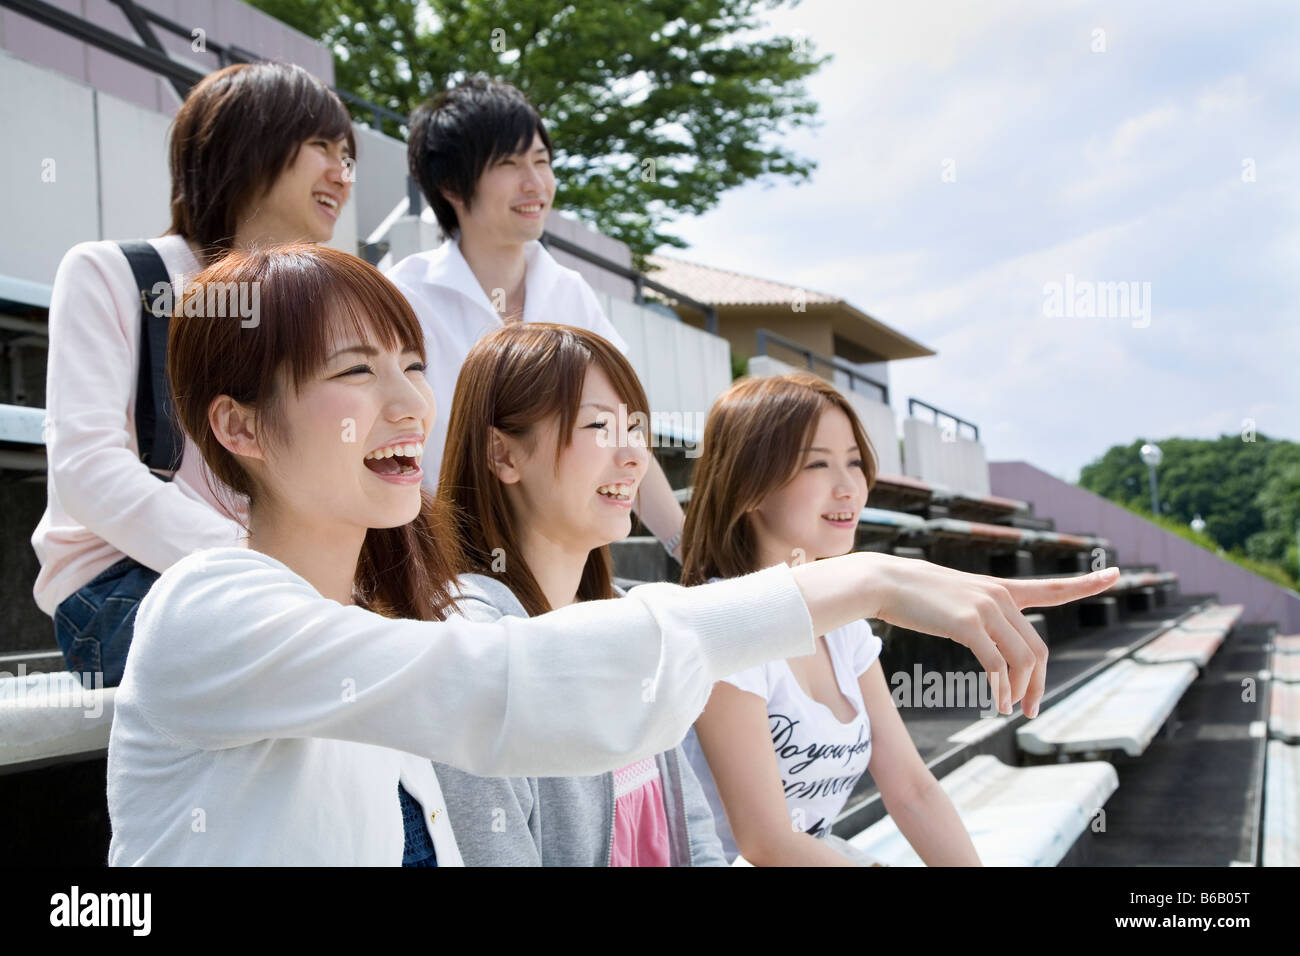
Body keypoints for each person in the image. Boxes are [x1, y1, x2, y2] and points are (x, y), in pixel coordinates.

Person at [106, 243, 1115, 865]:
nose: (410, 402)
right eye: (357, 371)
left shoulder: (373, 630)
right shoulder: (211, 609)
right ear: (237, 426)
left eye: (414, 366)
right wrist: (861, 578)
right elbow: (511, 682)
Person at [32, 61, 356, 687]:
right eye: (321, 145)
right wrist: (257, 565)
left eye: (347, 154)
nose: (342, 174)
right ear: (245, 143)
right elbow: (87, 468)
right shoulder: (116, 272)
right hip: (124, 586)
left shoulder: (313, 312)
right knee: (325, 685)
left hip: (282, 585)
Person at [431, 323, 725, 866]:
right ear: (504, 455)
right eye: (598, 425)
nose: (635, 456)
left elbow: (695, 835)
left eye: (635, 428)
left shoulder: (625, 617)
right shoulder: (472, 646)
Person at [681, 373, 988, 865]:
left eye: (854, 462)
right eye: (818, 464)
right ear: (751, 485)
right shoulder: (725, 629)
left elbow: (911, 789)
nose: (850, 487)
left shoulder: (846, 630)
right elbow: (766, 843)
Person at [385, 74, 687, 560]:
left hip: (561, 565)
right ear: (451, 186)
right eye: (509, 163)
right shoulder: (405, 294)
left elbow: (622, 435)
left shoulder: (571, 293)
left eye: (542, 161)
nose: (536, 182)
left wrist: (685, 547)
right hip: (441, 570)